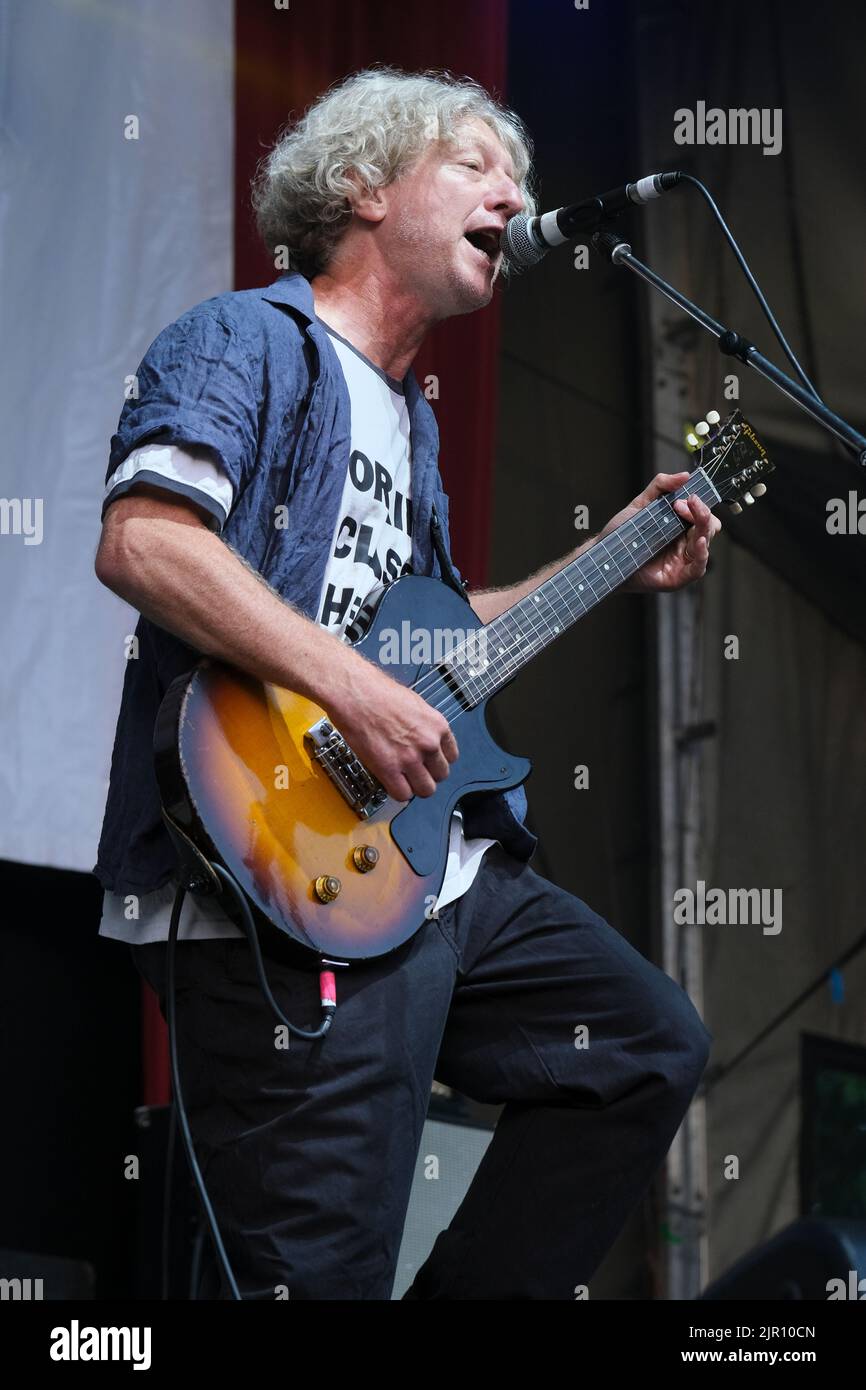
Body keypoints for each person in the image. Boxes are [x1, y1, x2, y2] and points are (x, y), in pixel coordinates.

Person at [93, 67, 719, 1300]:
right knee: (315, 1269)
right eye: (478, 164)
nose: (515, 195)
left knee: (642, 1046)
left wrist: (607, 562)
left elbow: (431, 653)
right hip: (274, 859)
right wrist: (353, 693)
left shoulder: (409, 427)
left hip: (429, 871)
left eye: (520, 179)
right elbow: (146, 541)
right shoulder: (247, 342)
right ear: (364, 184)